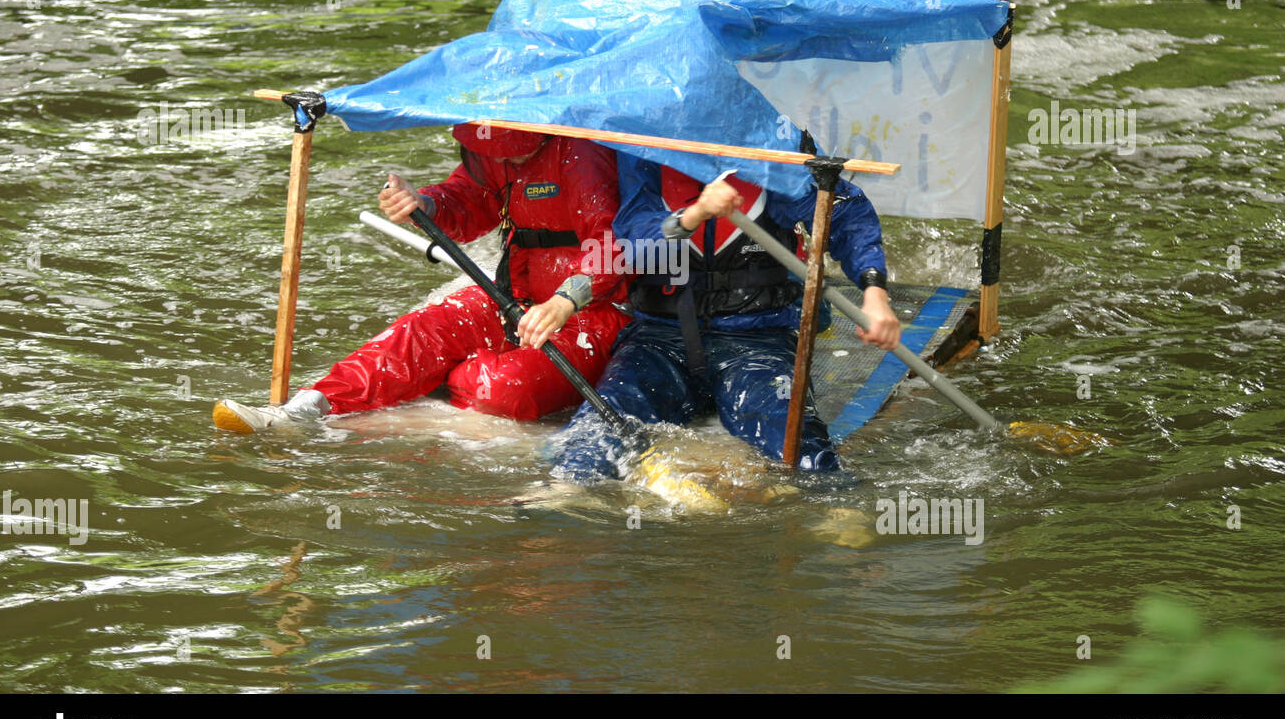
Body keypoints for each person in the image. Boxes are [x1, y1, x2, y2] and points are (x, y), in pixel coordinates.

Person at [212, 123, 629, 432]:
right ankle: (308, 407)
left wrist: (562, 301)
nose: (503, 161)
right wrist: (422, 205)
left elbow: (613, 243)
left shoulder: (584, 153)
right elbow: (466, 201)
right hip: (514, 295)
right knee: (420, 331)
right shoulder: (488, 144)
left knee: (505, 391)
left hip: (591, 310)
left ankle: (443, 378)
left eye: (512, 154)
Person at [549, 155, 901, 480]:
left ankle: (835, 507)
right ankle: (566, 499)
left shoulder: (771, 154)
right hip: (658, 340)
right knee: (592, 436)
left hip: (757, 339)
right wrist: (695, 214)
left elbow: (845, 216)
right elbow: (634, 239)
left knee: (801, 447)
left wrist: (874, 292)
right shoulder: (643, 155)